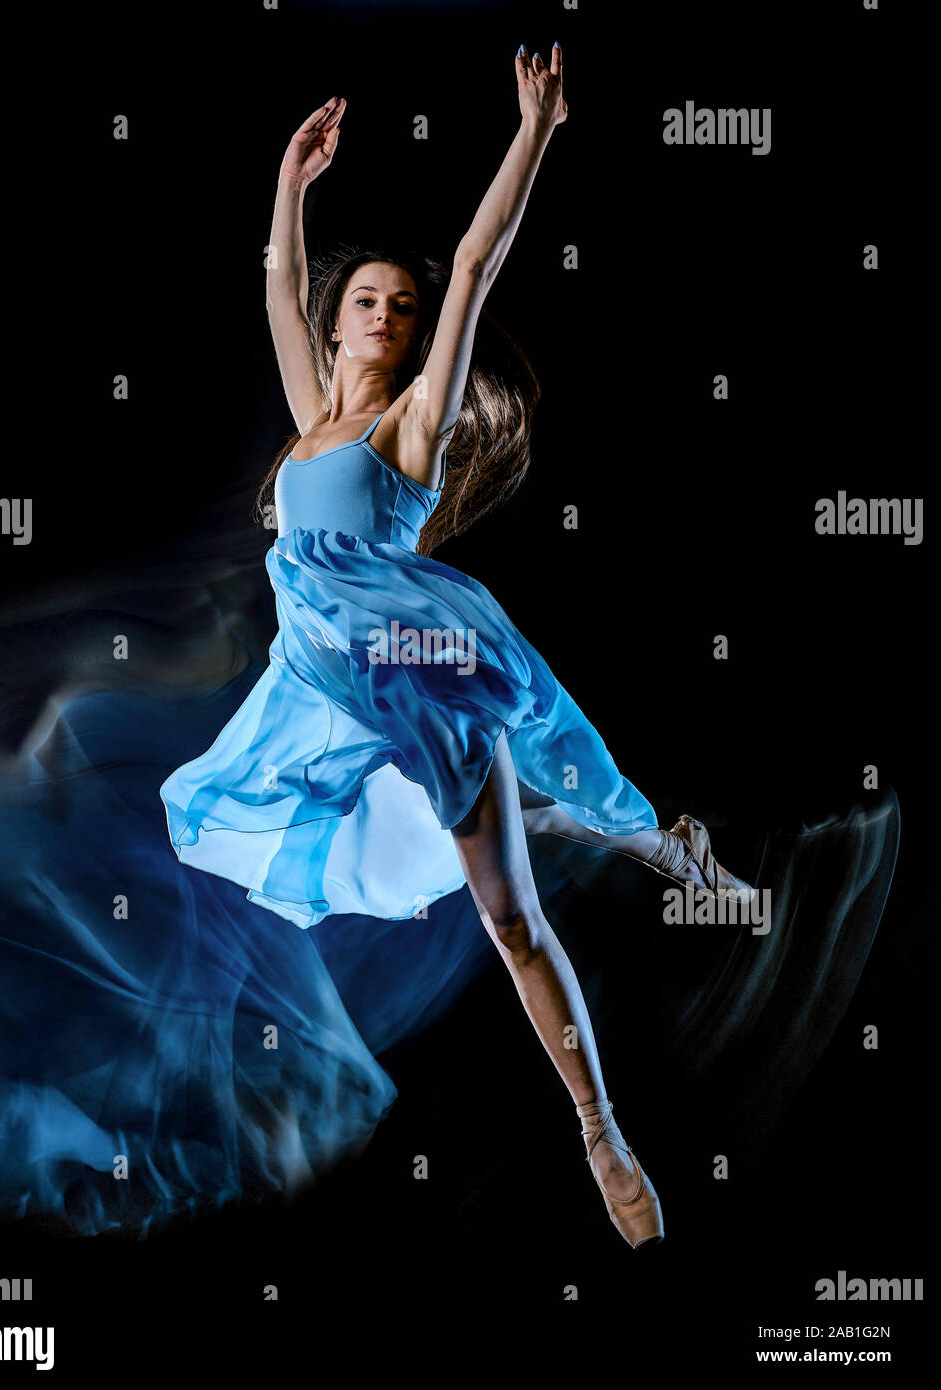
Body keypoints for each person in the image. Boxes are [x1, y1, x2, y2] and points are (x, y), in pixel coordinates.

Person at [161, 44, 755, 1249]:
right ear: (339, 324)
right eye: (366, 300)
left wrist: (534, 131)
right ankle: (640, 838)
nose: (384, 313)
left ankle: (602, 1130)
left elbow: (478, 261)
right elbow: (275, 288)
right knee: (345, 831)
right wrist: (289, 179)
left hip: (426, 681)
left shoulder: (407, 426)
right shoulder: (308, 419)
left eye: (403, 306)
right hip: (322, 697)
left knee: (512, 921)